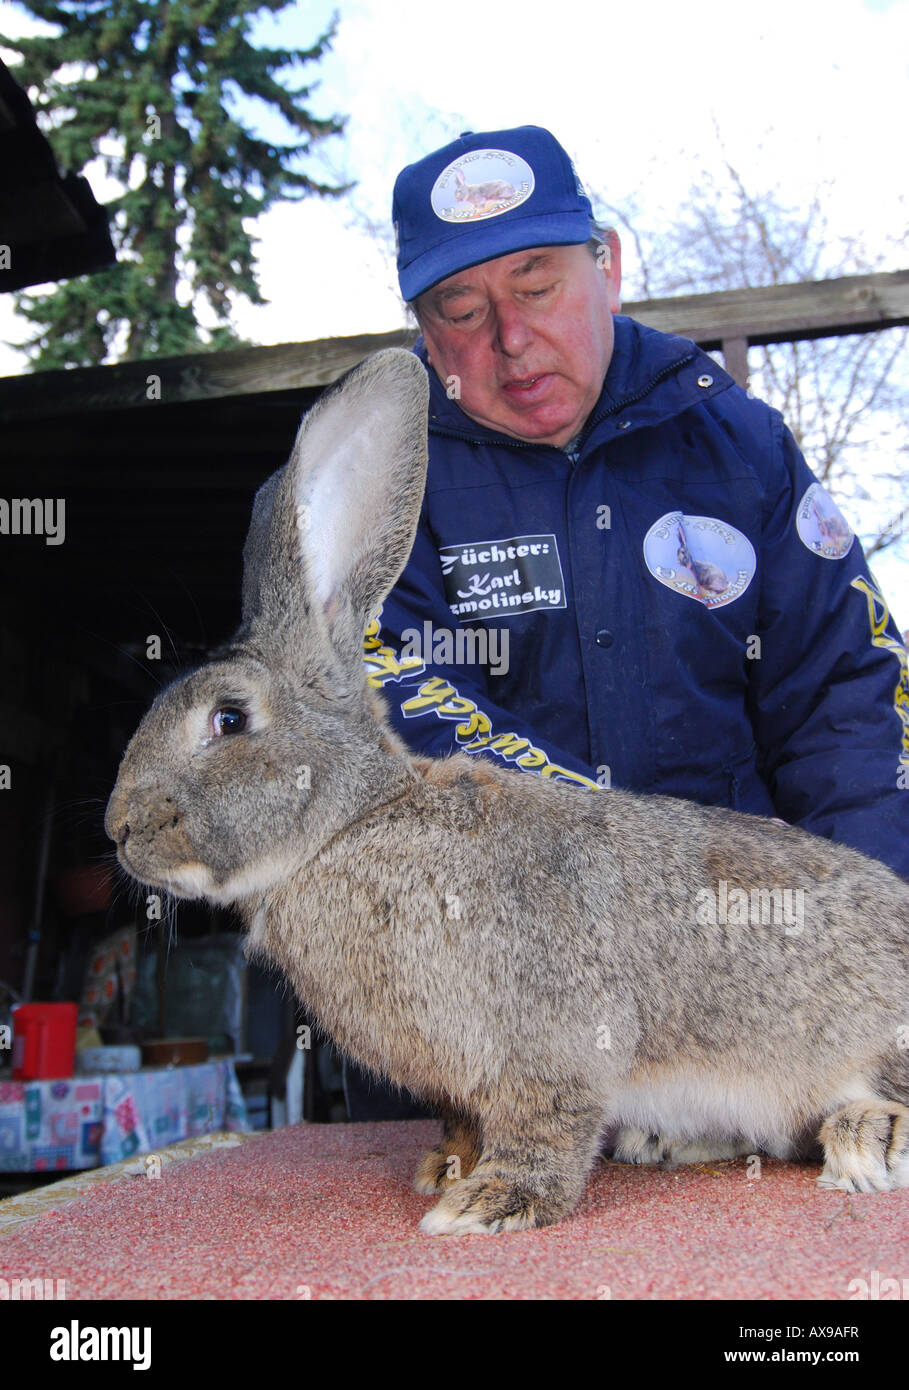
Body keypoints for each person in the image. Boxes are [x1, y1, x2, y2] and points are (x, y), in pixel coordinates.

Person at [341, 124, 909, 1122]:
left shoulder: (740, 445)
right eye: (462, 309)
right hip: (488, 1018)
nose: (510, 340)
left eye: (538, 284)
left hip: (739, 1008)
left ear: (607, 266)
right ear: (423, 332)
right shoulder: (380, 481)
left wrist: (879, 959)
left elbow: (847, 704)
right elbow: (382, 721)